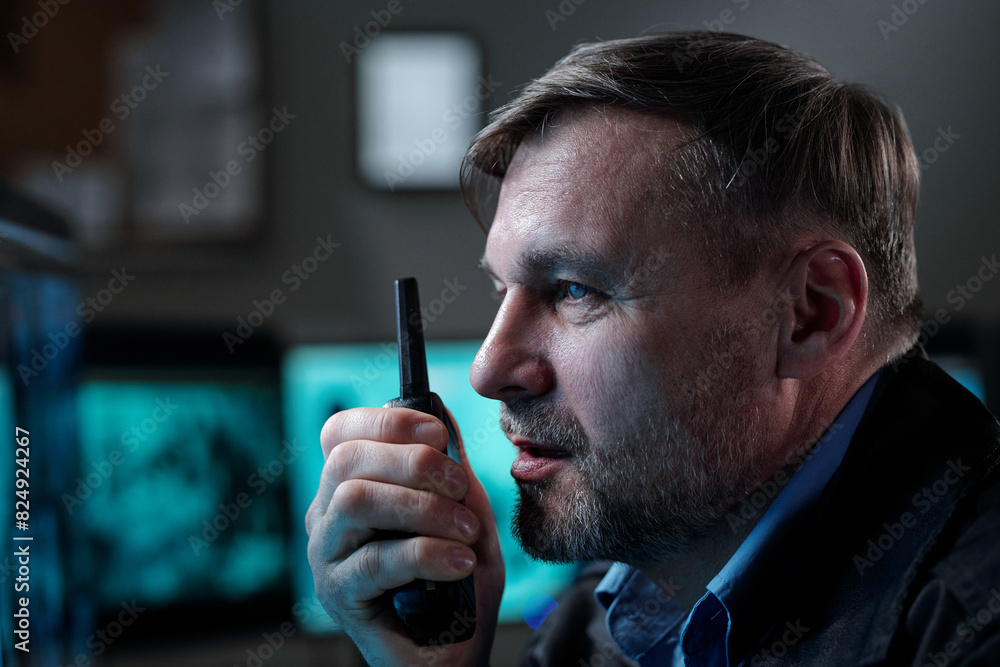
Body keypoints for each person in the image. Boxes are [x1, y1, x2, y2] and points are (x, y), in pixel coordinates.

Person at [305, 31, 1000, 666]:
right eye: (501, 289)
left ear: (811, 313)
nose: (489, 369)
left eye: (575, 289)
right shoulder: (621, 588)